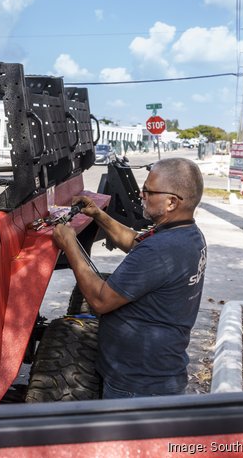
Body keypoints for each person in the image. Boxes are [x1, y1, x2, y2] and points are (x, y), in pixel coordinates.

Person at [52, 157, 207, 399]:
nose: (142, 195)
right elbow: (136, 242)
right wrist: (97, 214)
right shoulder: (187, 235)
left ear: (171, 202)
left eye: (148, 191)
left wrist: (69, 243)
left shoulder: (161, 249)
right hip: (155, 374)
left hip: (137, 385)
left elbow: (101, 300)